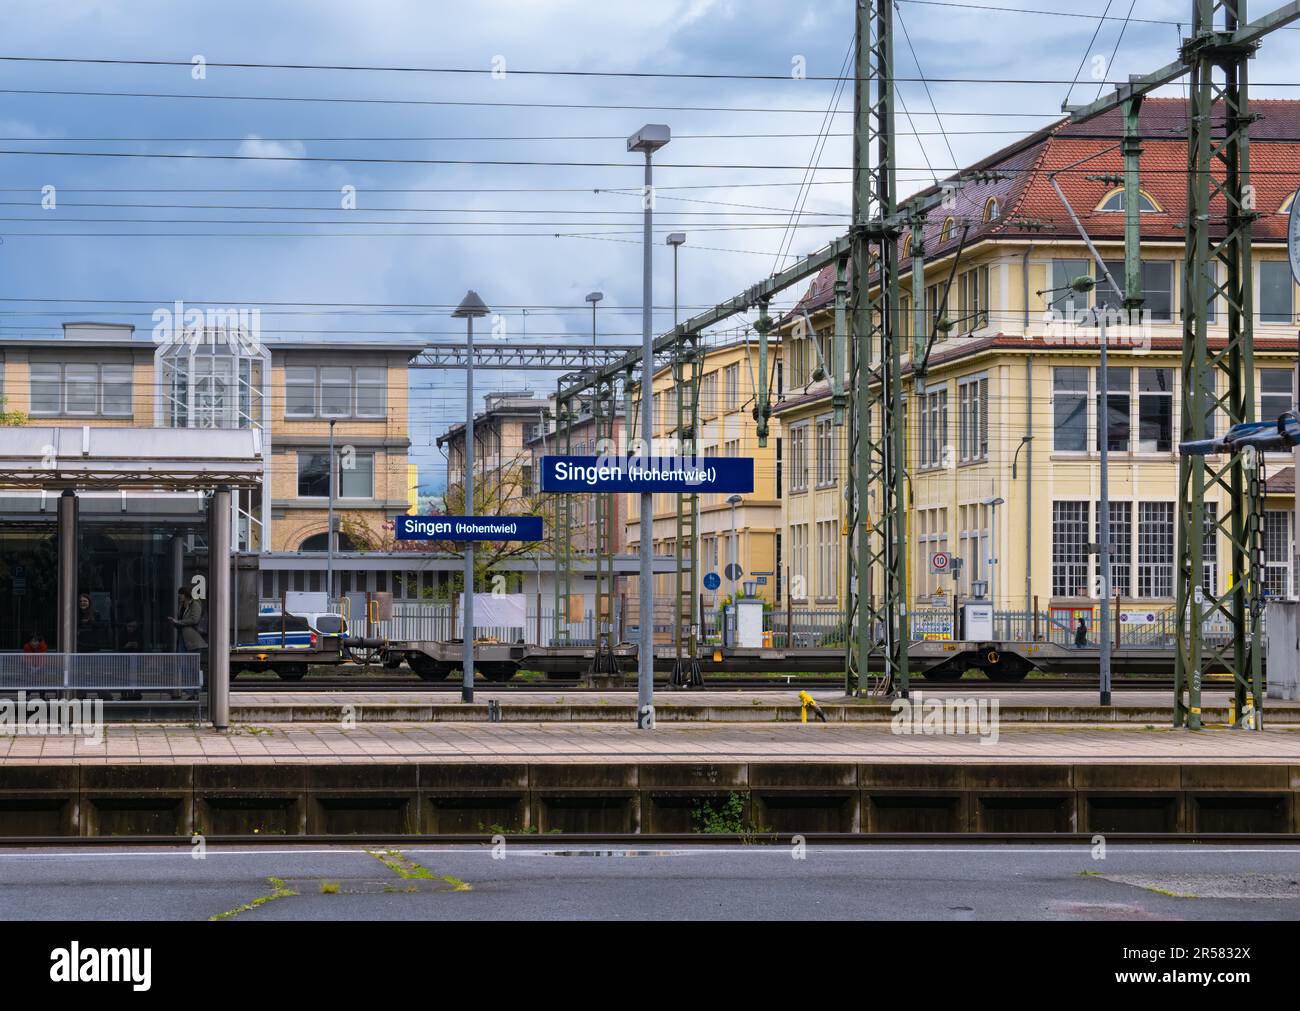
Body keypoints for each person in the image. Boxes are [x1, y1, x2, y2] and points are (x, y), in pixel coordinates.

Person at [169, 588, 206, 653]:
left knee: (191, 660)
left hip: (192, 638)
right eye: (179, 594)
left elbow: (194, 619)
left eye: (181, 594)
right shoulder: (181, 606)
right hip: (182, 636)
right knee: (182, 660)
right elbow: (181, 622)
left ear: (186, 595)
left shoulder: (195, 604)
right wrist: (174, 622)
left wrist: (178, 622)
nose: (179, 596)